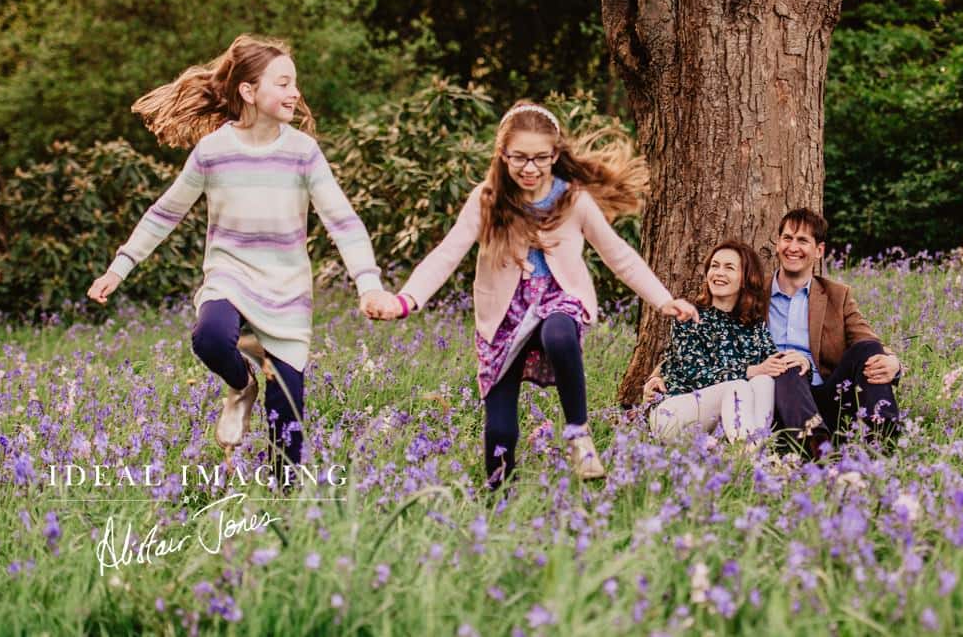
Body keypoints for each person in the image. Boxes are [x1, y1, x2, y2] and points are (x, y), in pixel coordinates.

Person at [86, 35, 382, 483]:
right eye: (283, 83)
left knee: (286, 423)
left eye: (294, 83)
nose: (295, 93)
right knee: (210, 336)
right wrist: (119, 267)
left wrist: (368, 283)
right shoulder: (213, 152)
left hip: (286, 291)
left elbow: (343, 222)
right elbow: (165, 213)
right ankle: (243, 384)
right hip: (229, 276)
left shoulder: (303, 153)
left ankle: (284, 505)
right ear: (248, 90)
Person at [363, 100, 697, 487]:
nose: (530, 168)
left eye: (541, 158)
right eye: (519, 157)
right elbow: (446, 254)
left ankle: (578, 433)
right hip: (503, 319)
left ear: (555, 155)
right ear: (502, 154)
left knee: (559, 333)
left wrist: (663, 299)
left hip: (559, 300)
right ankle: (498, 498)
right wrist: (405, 300)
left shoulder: (573, 200)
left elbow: (618, 255)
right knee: (500, 432)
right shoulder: (487, 200)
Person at [763, 207, 901, 454]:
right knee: (787, 363)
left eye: (802, 240)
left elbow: (868, 341)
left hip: (827, 399)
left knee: (868, 349)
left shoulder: (837, 295)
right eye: (787, 238)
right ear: (778, 244)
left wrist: (895, 364)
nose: (792, 247)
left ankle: (883, 439)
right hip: (774, 400)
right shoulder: (755, 294)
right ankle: (816, 448)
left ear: (819, 251)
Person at [642, 239, 778, 444]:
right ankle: (748, 452)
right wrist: (751, 370)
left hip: (721, 423)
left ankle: (753, 449)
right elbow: (696, 374)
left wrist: (798, 360)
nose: (719, 273)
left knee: (764, 381)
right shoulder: (689, 316)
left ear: (745, 278)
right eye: (714, 266)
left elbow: (772, 366)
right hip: (674, 413)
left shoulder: (753, 325)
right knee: (738, 386)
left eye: (729, 267)